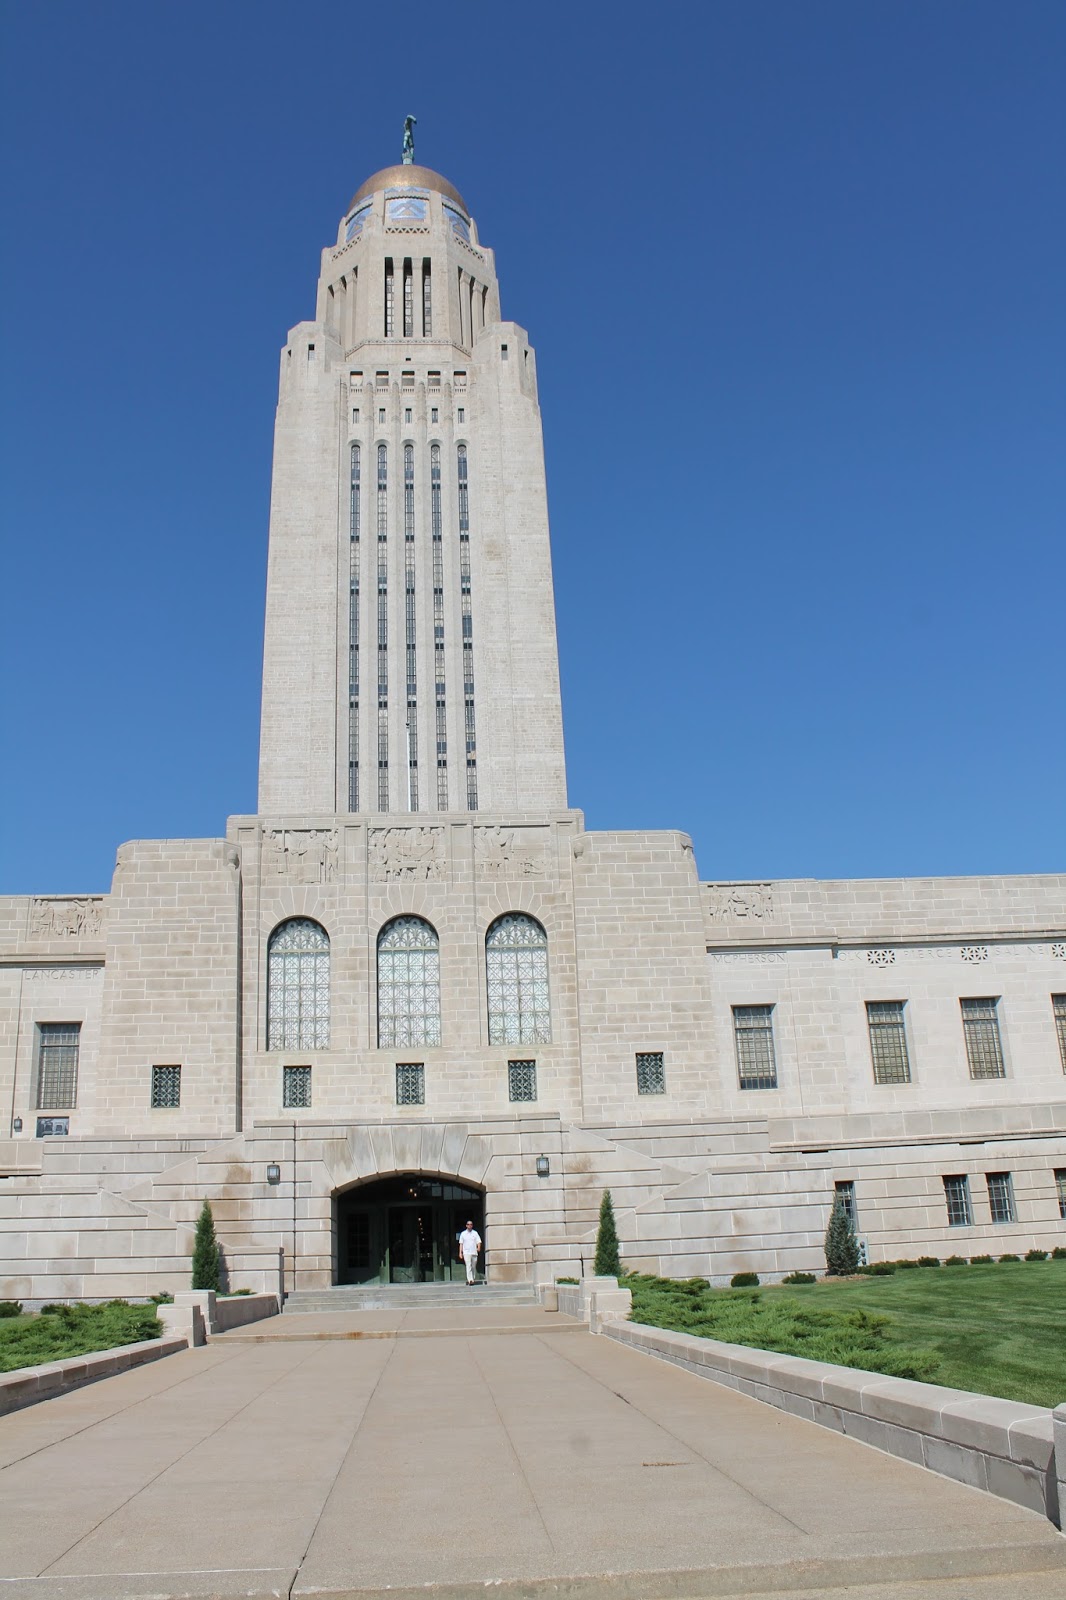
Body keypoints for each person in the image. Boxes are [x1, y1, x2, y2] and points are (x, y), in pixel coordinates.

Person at [458, 1220, 481, 1285]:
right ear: (466, 1225)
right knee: (468, 1265)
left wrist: (479, 1247)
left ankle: (473, 1278)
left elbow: (478, 1241)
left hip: (474, 1252)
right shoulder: (463, 1234)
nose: (469, 1225)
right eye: (468, 1224)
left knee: (473, 1266)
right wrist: (460, 1252)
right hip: (466, 1252)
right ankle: (470, 1280)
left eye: (471, 1224)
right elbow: (461, 1244)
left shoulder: (475, 1233)